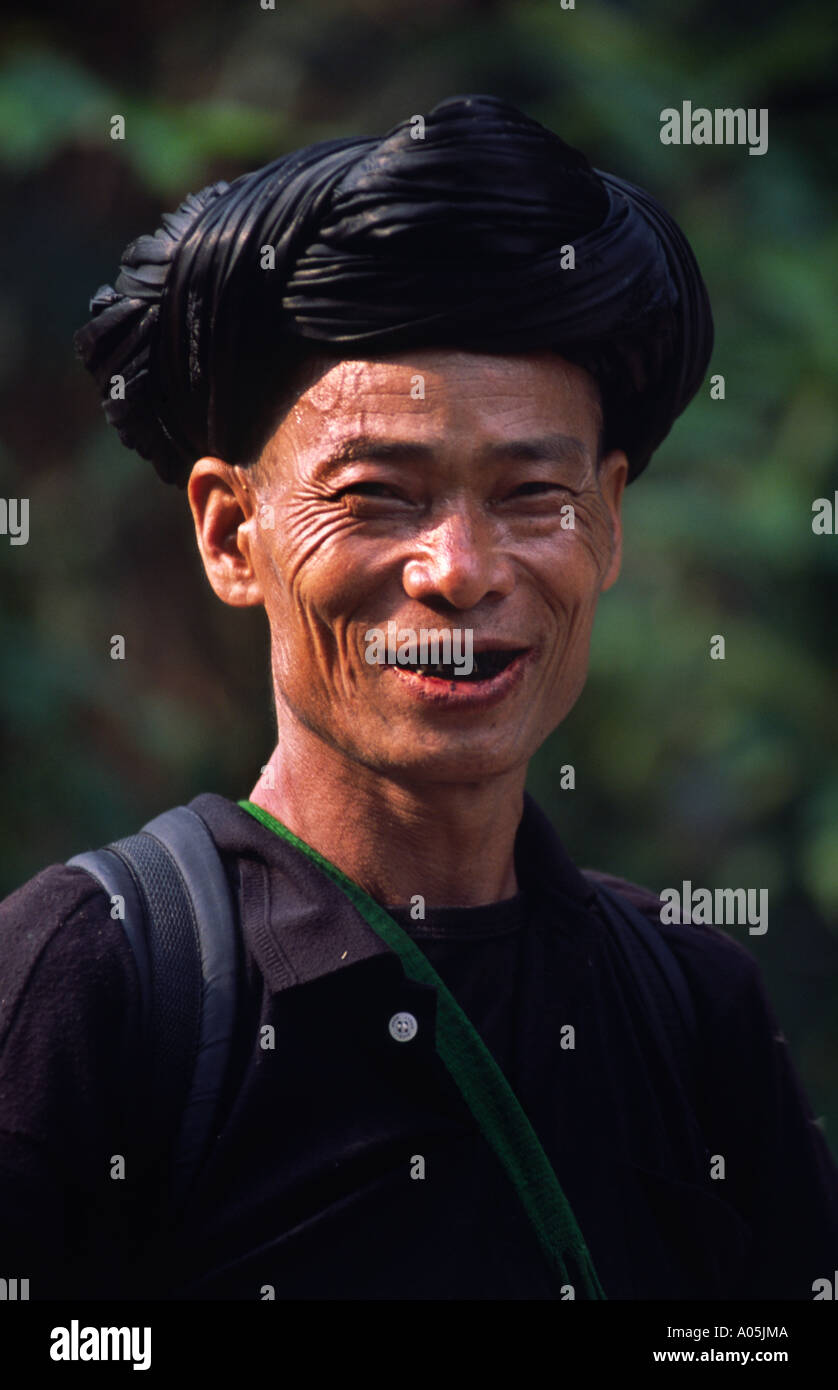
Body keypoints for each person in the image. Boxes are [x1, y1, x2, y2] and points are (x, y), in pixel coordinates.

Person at [1, 94, 836, 1301]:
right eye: (379, 494)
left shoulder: (688, 1007)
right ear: (231, 534)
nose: (461, 569)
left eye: (531, 493)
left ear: (605, 523)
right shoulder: (92, 990)